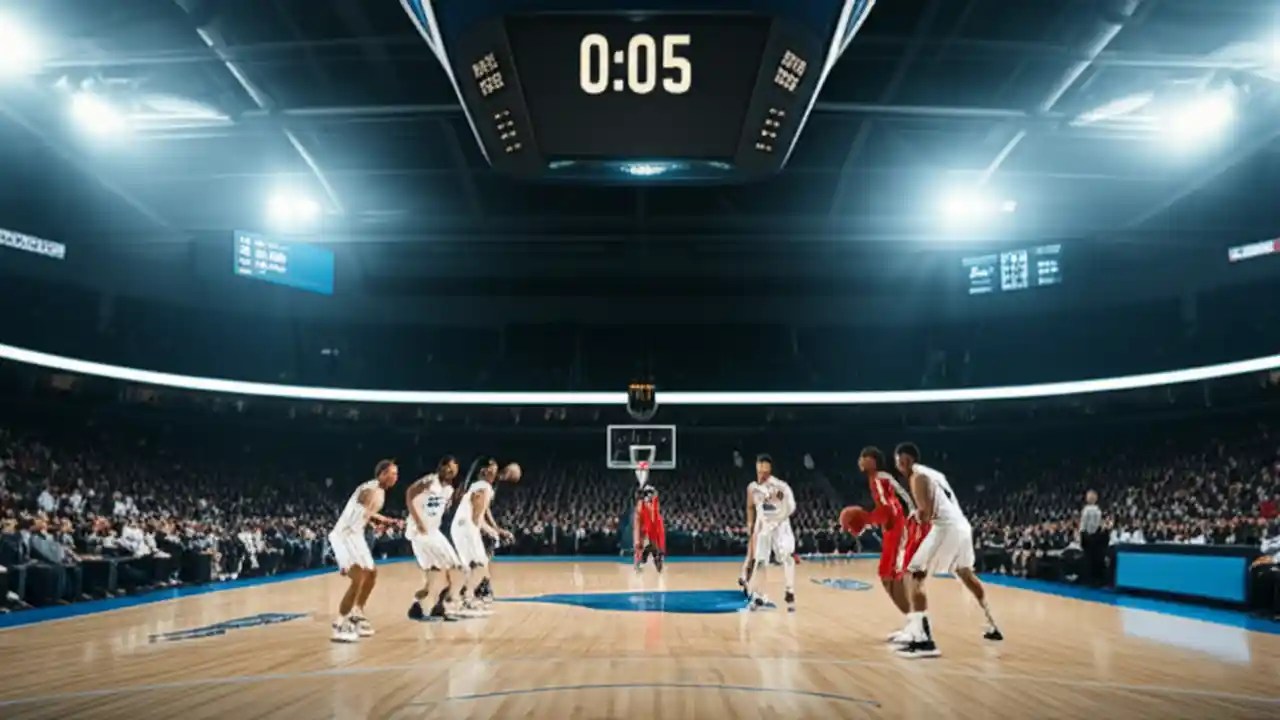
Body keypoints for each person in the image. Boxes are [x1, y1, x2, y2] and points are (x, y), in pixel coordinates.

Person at [894, 442, 1002, 659]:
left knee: (915, 573)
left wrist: (913, 516)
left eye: (900, 461)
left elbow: (927, 513)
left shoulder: (916, 476)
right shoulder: (935, 473)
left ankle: (924, 640)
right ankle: (992, 624)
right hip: (962, 526)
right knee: (965, 573)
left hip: (946, 527)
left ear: (904, 460)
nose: (900, 465)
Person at [328, 459, 401, 643]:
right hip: (345, 536)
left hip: (356, 534)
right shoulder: (370, 490)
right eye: (393, 474)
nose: (396, 478)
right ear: (382, 473)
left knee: (371, 573)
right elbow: (360, 513)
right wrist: (379, 523)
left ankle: (356, 612)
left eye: (397, 474)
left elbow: (365, 514)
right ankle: (340, 623)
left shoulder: (379, 492)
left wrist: (385, 521)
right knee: (359, 576)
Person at [856, 447, 914, 640]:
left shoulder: (880, 478)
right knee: (885, 577)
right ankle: (912, 622)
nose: (860, 461)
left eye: (863, 457)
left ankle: (916, 624)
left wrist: (867, 519)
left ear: (873, 460)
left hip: (896, 527)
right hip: (892, 528)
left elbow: (890, 508)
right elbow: (902, 496)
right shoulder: (879, 478)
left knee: (893, 577)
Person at [450, 457, 517, 613]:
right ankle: (466, 600)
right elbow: (476, 517)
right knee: (479, 566)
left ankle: (466, 599)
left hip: (462, 527)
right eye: (492, 470)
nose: (494, 473)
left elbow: (480, 513)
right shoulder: (484, 486)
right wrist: (492, 532)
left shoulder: (478, 486)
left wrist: (496, 530)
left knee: (474, 566)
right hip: (466, 528)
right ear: (484, 471)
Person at [405, 456, 464, 622]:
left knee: (444, 573)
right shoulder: (430, 481)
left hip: (433, 531)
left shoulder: (449, 490)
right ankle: (435, 606)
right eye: (449, 468)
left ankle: (422, 606)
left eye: (454, 470)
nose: (451, 472)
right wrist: (418, 521)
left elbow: (440, 511)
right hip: (420, 532)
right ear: (441, 467)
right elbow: (409, 494)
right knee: (445, 570)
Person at [745, 454, 797, 612]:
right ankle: (758, 596)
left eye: (765, 470)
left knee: (786, 557)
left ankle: (790, 590)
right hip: (764, 527)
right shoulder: (753, 488)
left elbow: (791, 506)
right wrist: (750, 523)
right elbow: (750, 507)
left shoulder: (780, 487)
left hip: (780, 526)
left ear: (770, 470)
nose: (762, 473)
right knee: (760, 561)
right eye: (759, 469)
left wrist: (779, 518)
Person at [634, 482, 666, 573]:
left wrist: (651, 492)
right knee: (650, 547)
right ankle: (641, 562)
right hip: (649, 529)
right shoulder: (643, 505)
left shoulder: (654, 505)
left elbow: (655, 497)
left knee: (655, 548)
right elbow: (640, 509)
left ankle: (646, 562)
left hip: (655, 529)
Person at [1078, 489, 1107, 586]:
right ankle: (1096, 580)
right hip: (1096, 536)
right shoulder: (1098, 510)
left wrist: (1083, 536)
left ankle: (1089, 580)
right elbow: (1099, 524)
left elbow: (1083, 525)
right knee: (1095, 559)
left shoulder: (1086, 510)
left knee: (1088, 559)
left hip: (1088, 536)